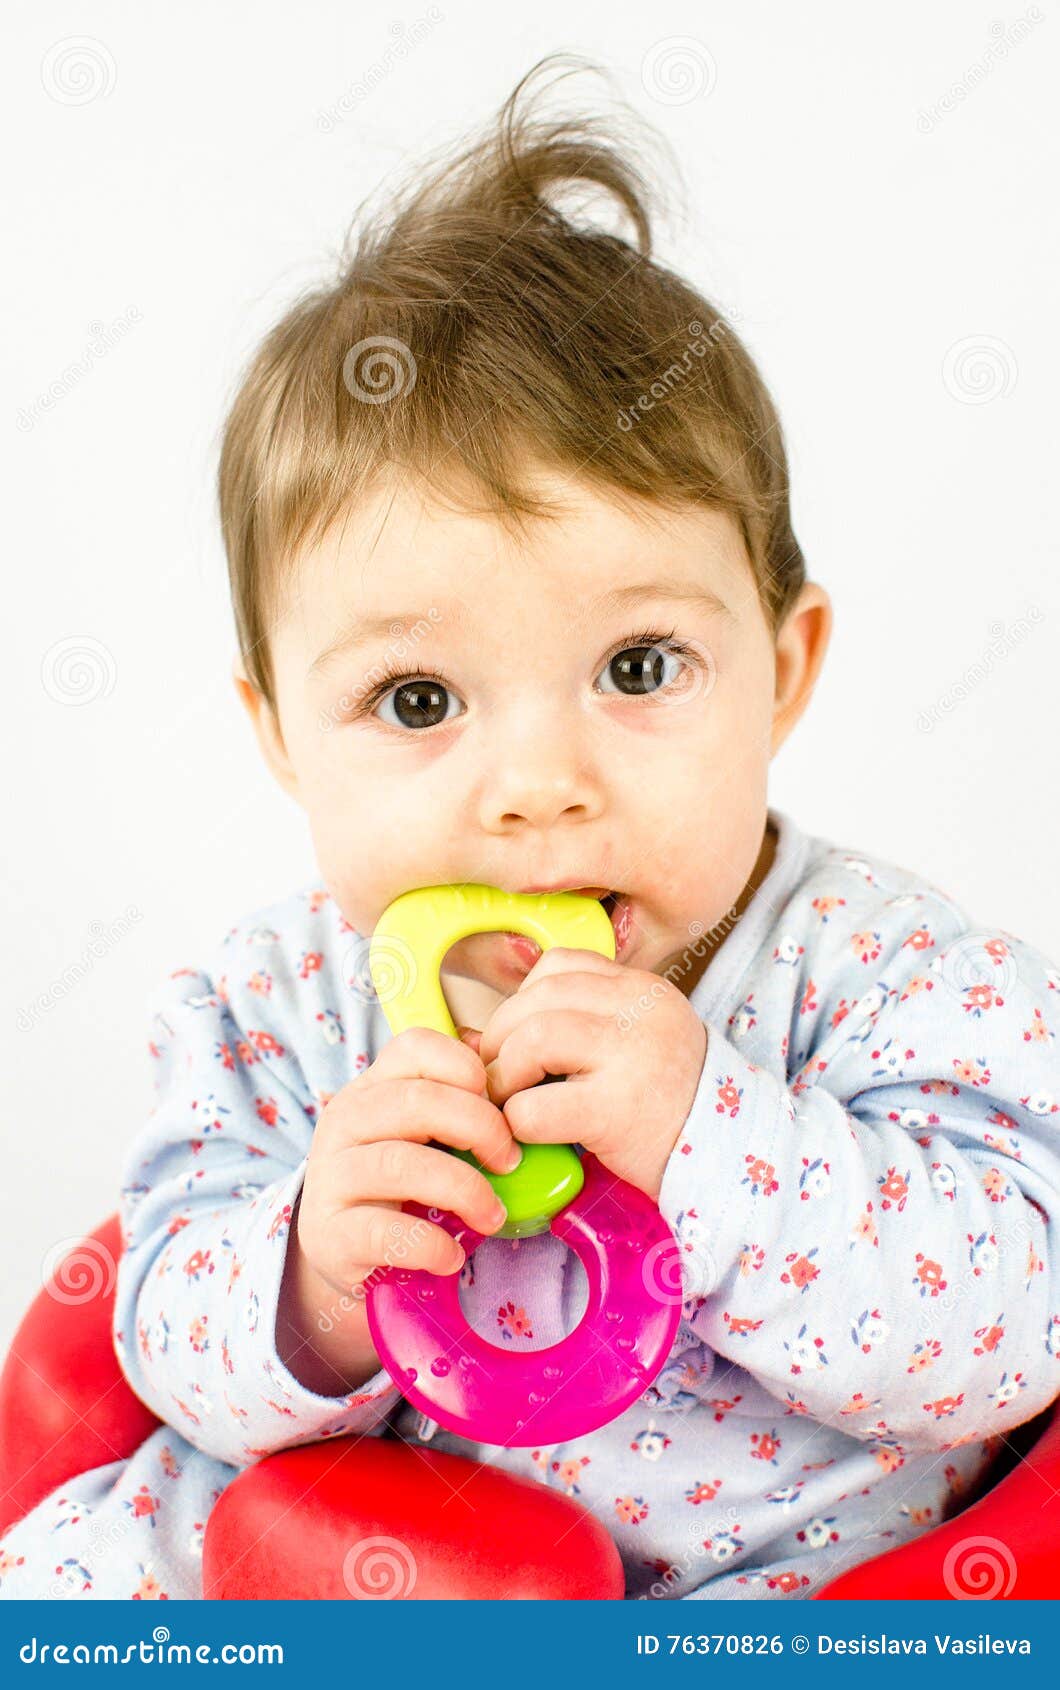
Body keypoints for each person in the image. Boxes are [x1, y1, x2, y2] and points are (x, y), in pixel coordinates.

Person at [3, 56, 1058, 1602]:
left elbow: (1017, 1322)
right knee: (83, 1576)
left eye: (638, 668)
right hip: (356, 1571)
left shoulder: (895, 977)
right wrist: (308, 1282)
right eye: (420, 699)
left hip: (773, 1592)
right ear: (281, 737)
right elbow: (155, 1333)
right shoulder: (274, 1007)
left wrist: (720, 1143)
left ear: (783, 669)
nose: (536, 784)